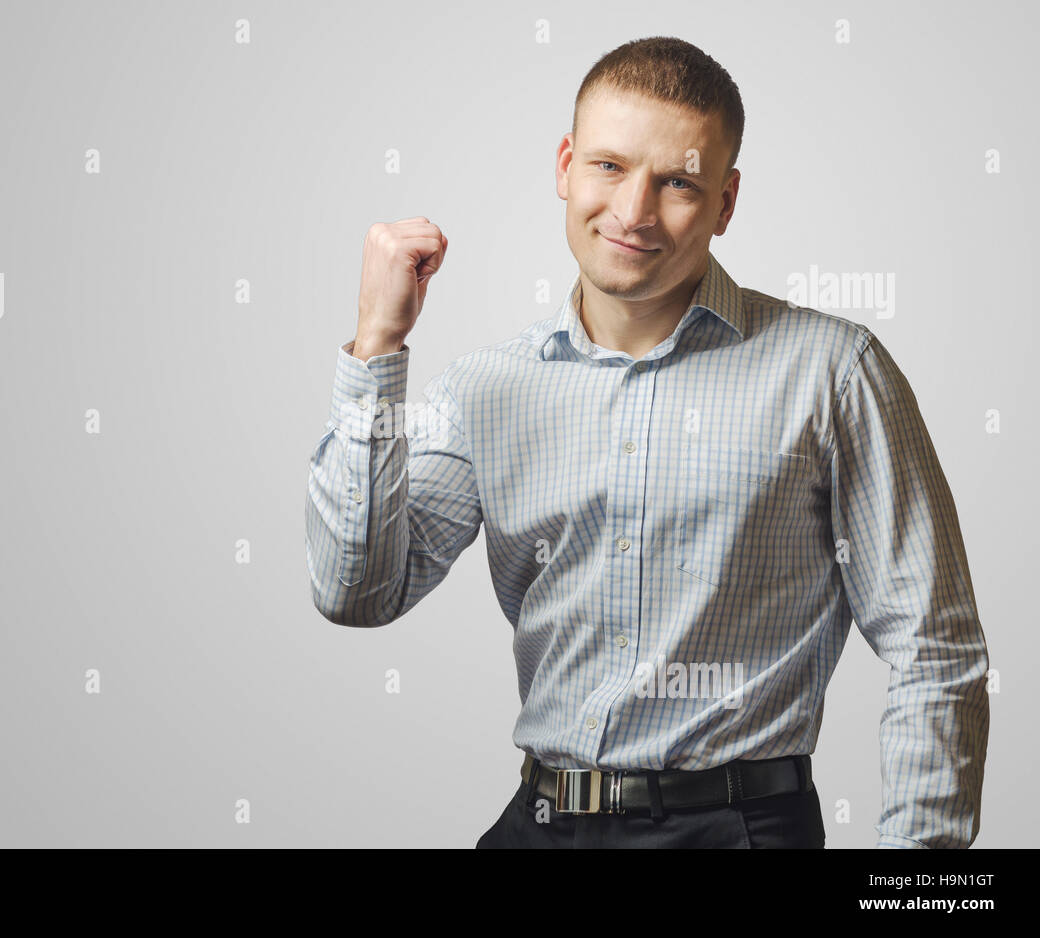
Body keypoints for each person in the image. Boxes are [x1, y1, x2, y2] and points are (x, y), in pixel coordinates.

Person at [303, 36, 989, 848]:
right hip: (542, 822)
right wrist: (377, 346)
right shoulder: (484, 388)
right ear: (564, 165)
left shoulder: (834, 373)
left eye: (678, 183)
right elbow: (358, 595)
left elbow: (935, 651)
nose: (632, 213)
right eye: (608, 167)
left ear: (725, 203)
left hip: (738, 828)